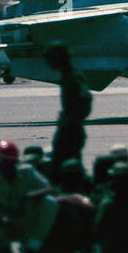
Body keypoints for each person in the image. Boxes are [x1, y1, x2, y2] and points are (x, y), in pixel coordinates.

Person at [0, 140, 59, 253]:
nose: (1, 166)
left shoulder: (28, 172)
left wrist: (29, 196)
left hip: (26, 219)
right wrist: (0, 220)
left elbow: (49, 189)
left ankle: (32, 246)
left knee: (50, 202)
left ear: (14, 162)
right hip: (4, 224)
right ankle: (2, 247)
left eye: (5, 162)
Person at [46, 42, 92, 179]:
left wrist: (70, 120)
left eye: (51, 58)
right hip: (69, 131)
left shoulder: (73, 77)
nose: (48, 62)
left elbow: (85, 99)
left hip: (71, 133)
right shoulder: (68, 77)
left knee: (67, 170)